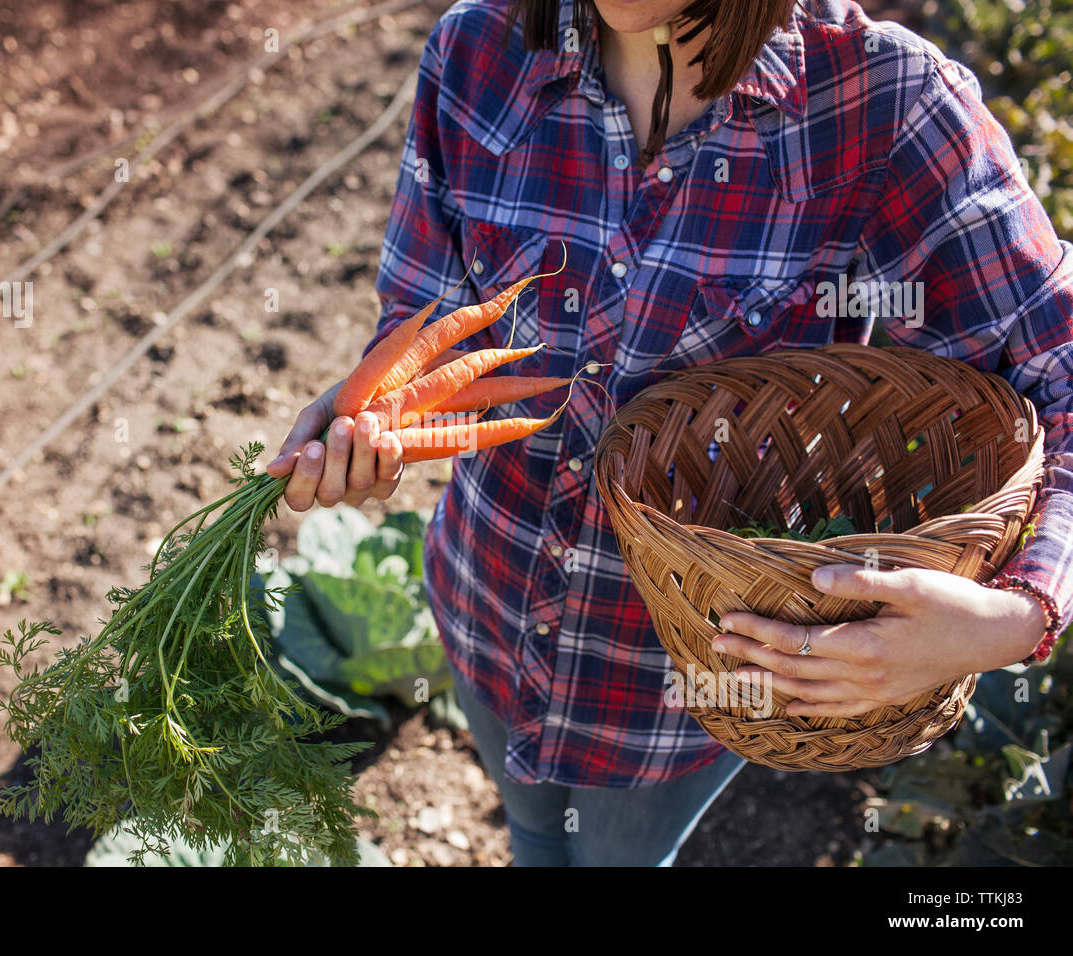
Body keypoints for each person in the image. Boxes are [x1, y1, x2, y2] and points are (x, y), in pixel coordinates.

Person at [265, 0, 1073, 865]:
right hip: (487, 606)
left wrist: (1011, 621)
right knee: (535, 836)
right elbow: (419, 325)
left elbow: (1059, 378)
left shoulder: (884, 104)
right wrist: (367, 418)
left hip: (683, 685)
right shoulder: (478, 52)